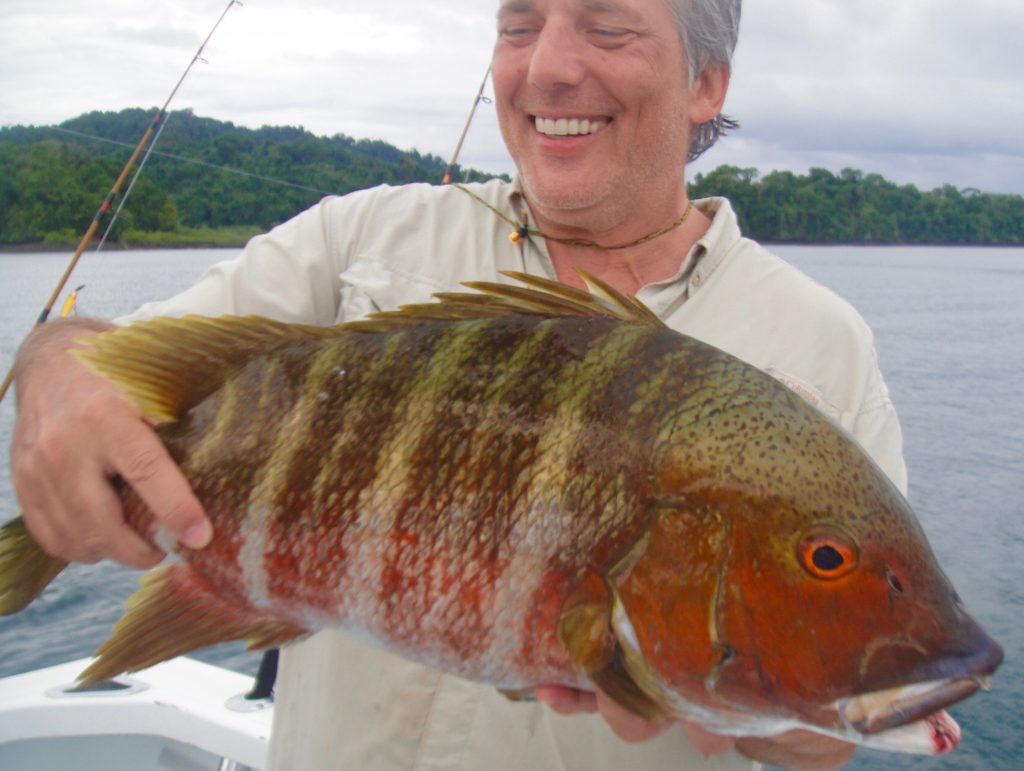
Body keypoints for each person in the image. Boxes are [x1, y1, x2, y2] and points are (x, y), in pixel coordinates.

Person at [10, 0, 906, 768]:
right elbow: (98, 357)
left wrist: (782, 718)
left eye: (607, 27)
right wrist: (56, 372)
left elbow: (854, 694)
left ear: (707, 82)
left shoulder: (822, 345)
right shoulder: (357, 241)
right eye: (518, 25)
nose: (549, 67)